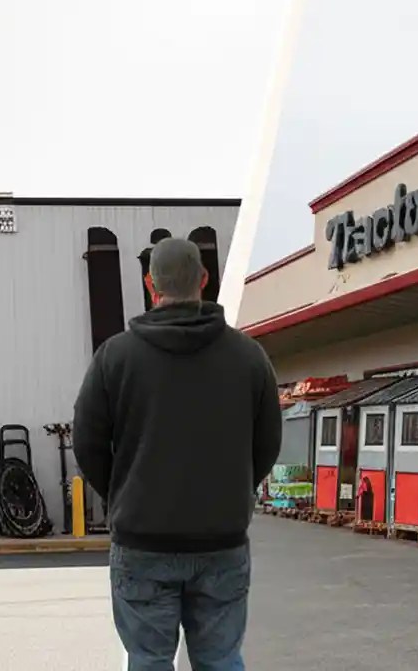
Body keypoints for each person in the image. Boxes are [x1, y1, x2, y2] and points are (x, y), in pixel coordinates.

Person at [72, 237, 283, 671]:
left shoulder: (115, 357)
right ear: (204, 280)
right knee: (221, 660)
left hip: (142, 544)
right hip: (222, 543)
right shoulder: (248, 358)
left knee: (148, 660)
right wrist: (234, 492)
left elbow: (87, 443)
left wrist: (123, 493)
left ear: (150, 285)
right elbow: (267, 444)